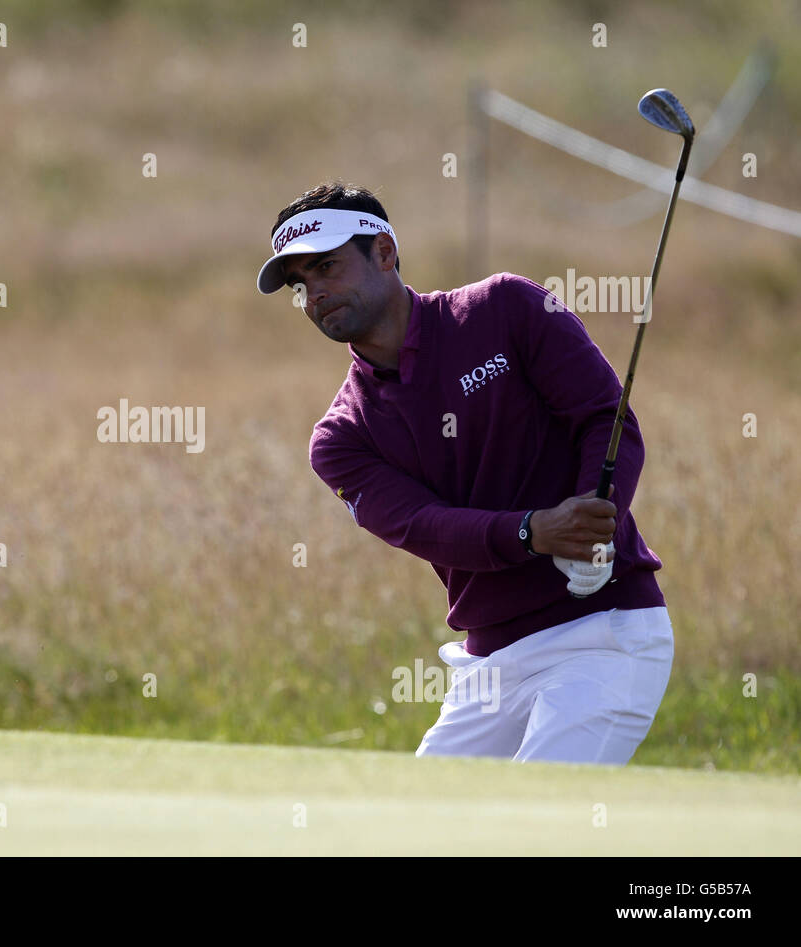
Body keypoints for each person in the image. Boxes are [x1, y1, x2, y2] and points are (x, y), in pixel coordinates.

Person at [257, 181, 673, 765]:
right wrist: (534, 531)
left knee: (537, 826)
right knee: (419, 831)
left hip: (604, 633)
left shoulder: (506, 309)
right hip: (490, 664)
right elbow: (426, 526)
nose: (315, 294)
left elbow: (605, 418)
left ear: (384, 253)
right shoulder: (340, 438)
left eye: (327, 267)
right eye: (301, 284)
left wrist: (593, 521)